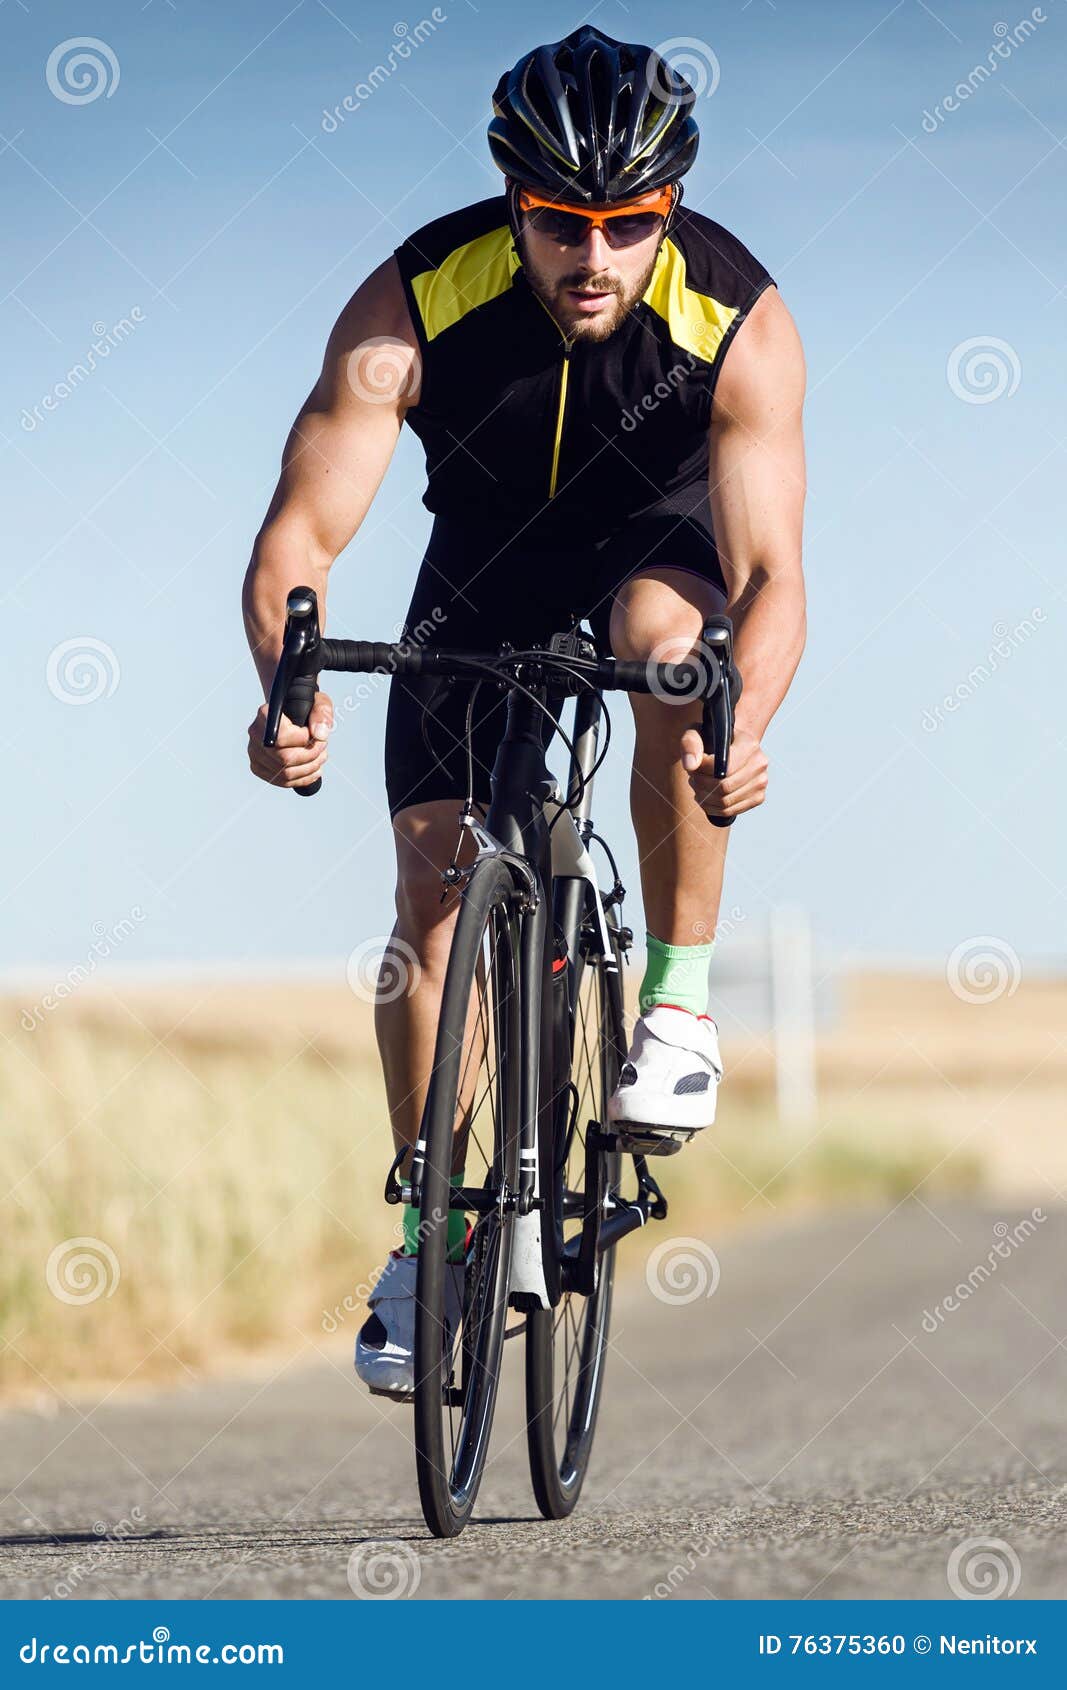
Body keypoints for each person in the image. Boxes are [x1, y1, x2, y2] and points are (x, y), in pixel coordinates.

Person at [244, 26, 806, 1398]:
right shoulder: (415, 302)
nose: (594, 256)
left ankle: (674, 1005)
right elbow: (298, 542)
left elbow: (774, 575)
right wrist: (285, 692)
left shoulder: (736, 318)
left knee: (670, 648)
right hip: (483, 566)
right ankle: (434, 1239)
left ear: (665, 212)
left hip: (657, 551)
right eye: (562, 221)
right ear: (517, 202)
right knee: (431, 896)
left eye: (627, 224)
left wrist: (746, 721)